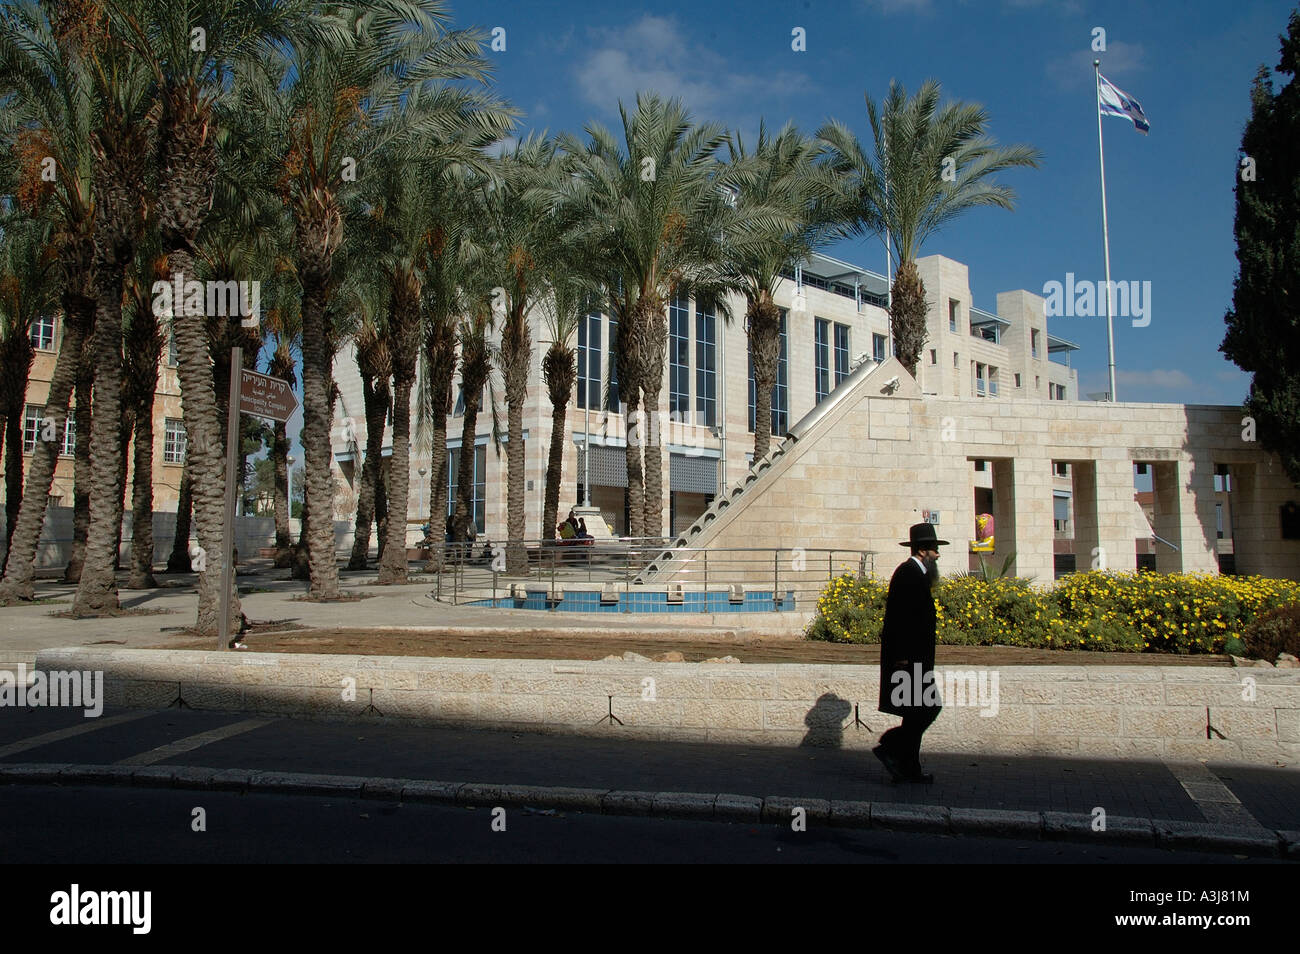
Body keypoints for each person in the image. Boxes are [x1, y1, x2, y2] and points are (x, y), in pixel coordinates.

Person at [873, 522, 948, 784]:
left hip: (917, 659)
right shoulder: (908, 574)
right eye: (935, 550)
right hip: (909, 660)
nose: (938, 555)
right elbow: (900, 620)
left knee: (916, 711)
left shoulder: (916, 574)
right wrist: (903, 657)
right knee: (927, 708)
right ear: (923, 551)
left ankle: (908, 768)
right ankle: (890, 745)